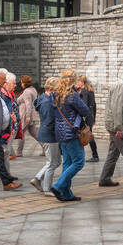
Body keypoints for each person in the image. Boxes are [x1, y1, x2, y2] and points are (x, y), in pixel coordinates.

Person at [51, 69, 91, 203]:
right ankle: (58, 185)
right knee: (79, 162)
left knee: (67, 163)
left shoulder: (55, 94)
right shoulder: (72, 95)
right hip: (72, 132)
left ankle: (66, 193)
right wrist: (79, 96)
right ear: (73, 81)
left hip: (60, 133)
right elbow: (85, 111)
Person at [30, 78, 61, 195]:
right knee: (52, 163)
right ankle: (47, 189)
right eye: (58, 89)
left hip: (46, 134)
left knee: (56, 161)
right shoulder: (48, 103)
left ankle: (37, 178)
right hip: (49, 136)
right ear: (52, 89)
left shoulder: (43, 98)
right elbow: (50, 122)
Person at [14, 75, 39, 158]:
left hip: (26, 115)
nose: (21, 84)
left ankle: (19, 152)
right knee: (34, 134)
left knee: (20, 133)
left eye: (21, 82)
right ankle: (46, 148)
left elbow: (28, 104)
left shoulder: (27, 92)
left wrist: (28, 116)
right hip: (31, 114)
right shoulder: (33, 89)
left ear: (24, 83)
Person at [77, 75, 99, 161]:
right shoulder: (90, 90)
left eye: (78, 81)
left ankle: (95, 156)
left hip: (85, 117)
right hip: (90, 116)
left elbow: (84, 106)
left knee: (87, 135)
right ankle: (95, 155)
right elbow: (94, 105)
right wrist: (94, 118)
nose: (77, 83)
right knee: (88, 135)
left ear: (82, 82)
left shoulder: (84, 91)